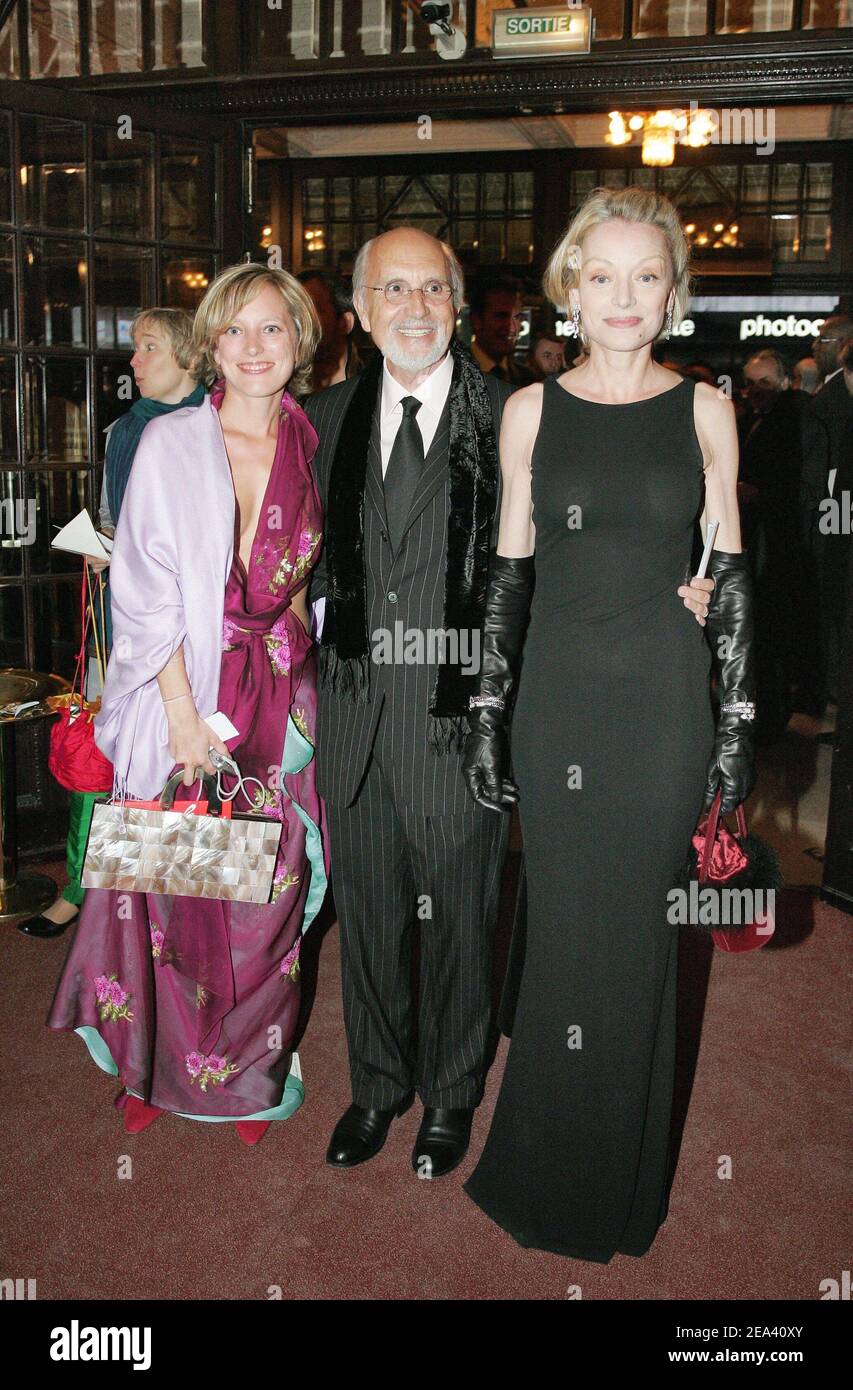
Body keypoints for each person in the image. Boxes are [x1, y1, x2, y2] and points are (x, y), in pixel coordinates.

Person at [304, 224, 716, 1181]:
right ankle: (374, 1087)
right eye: (391, 292)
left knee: (459, 914)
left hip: (465, 717)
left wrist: (681, 589)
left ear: (458, 305)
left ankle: (449, 1096)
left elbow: (593, 534)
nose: (414, 309)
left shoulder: (516, 411)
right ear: (359, 314)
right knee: (366, 915)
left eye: (432, 291)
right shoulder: (316, 419)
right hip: (354, 713)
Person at [461, 186, 755, 1261]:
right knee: (564, 943)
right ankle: (539, 1167)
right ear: (569, 289)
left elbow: (728, 583)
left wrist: (732, 734)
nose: (622, 297)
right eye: (602, 275)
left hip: (664, 710)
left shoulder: (706, 410)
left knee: (637, 947)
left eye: (645, 277)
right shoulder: (531, 412)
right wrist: (488, 712)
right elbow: (506, 577)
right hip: (559, 705)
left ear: (671, 294)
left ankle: (619, 1189)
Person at [48, 264, 328, 1146]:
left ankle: (246, 1071)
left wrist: (298, 672)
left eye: (273, 329)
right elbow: (145, 591)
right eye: (236, 330)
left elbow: (300, 576)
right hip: (194, 690)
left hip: (279, 693)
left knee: (266, 899)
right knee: (174, 893)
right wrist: (175, 711)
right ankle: (158, 1068)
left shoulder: (303, 438)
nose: (254, 347)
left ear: (299, 342)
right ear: (213, 343)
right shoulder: (175, 442)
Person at [18, 308, 205, 941]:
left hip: (187, 623)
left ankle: (153, 905)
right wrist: (106, 545)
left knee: (168, 757)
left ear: (187, 355)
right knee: (118, 755)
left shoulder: (217, 422)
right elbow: (115, 517)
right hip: (135, 617)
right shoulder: (126, 430)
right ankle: (90, 892)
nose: (133, 361)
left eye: (147, 347)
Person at [740, 349, 828, 730]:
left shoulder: (794, 419)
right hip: (768, 540)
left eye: (765, 382)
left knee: (779, 626)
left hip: (782, 543)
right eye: (751, 383)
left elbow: (800, 483)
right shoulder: (762, 419)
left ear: (783, 382)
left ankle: (777, 711)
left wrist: (757, 493)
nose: (757, 390)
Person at [809, 314, 853, 705]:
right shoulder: (834, 392)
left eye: (823, 339)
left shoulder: (838, 397)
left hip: (837, 515)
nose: (814, 346)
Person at [298, 270, 362, 392]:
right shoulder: (286, 400)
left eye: (311, 311)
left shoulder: (375, 390)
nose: (301, 321)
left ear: (346, 323)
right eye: (295, 311)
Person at [468, 276, 536, 387]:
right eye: (502, 316)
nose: (512, 328)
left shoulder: (528, 379)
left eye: (517, 317)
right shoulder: (451, 374)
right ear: (477, 320)